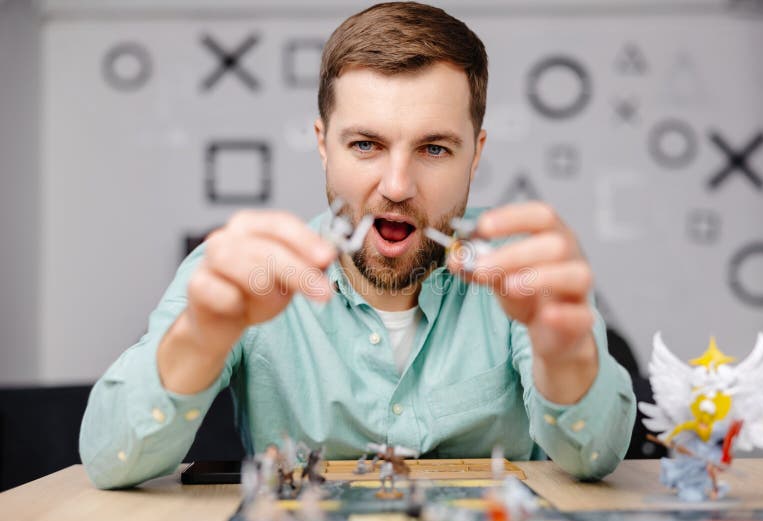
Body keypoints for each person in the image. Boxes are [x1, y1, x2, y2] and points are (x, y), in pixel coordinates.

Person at [79, 1, 635, 490]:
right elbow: (109, 460)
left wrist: (566, 358)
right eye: (366, 144)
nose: (396, 186)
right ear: (323, 145)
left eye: (435, 149)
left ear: (476, 152)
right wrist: (200, 337)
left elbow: (595, 458)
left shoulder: (524, 267)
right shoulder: (242, 270)